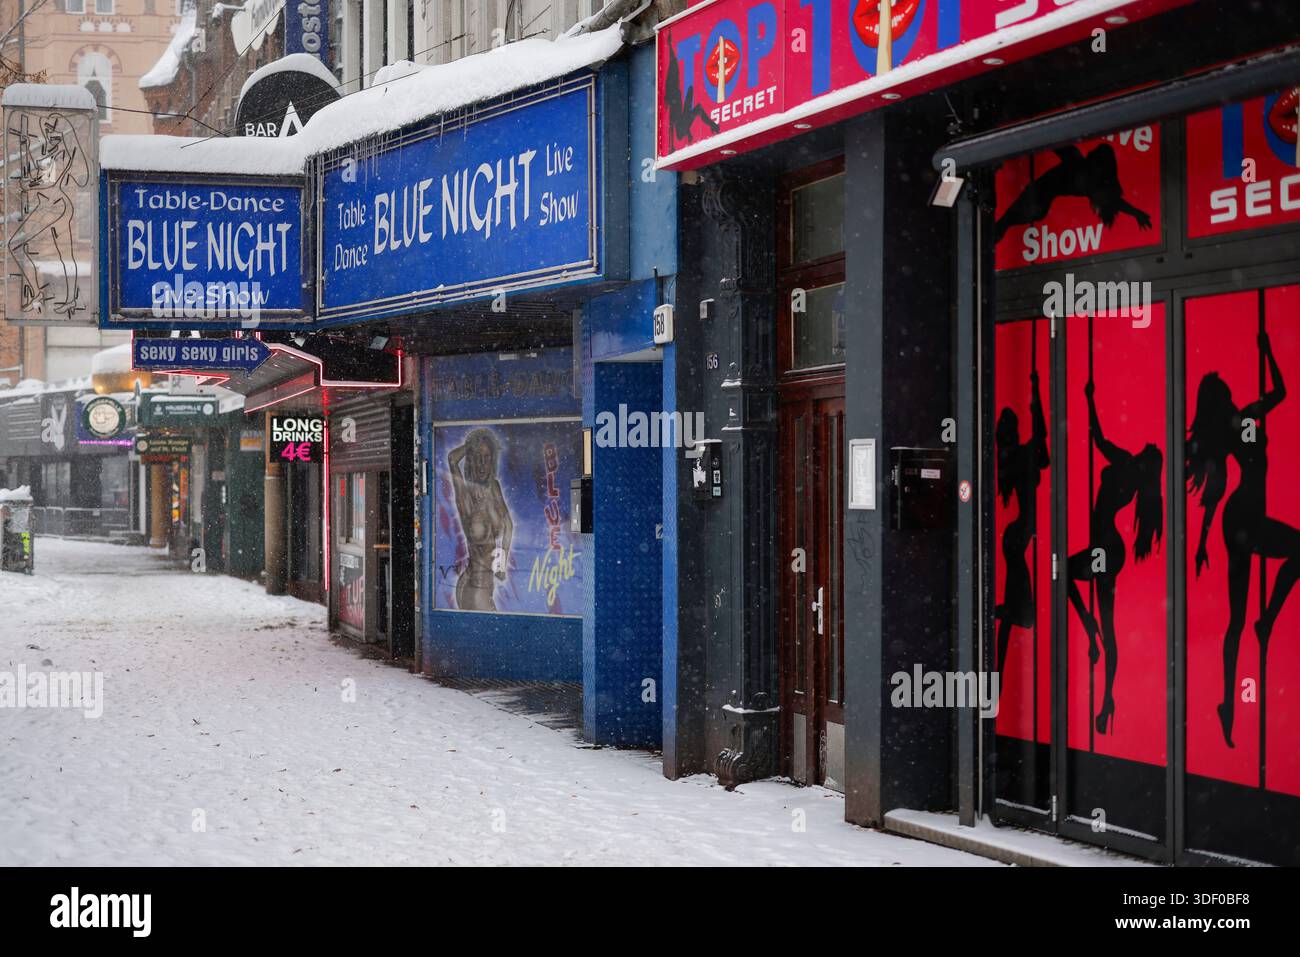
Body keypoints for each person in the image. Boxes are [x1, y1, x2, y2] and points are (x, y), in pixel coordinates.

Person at [1187, 332, 1299, 748]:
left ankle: (1231, 694)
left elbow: (1281, 394)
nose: (1234, 396)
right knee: (1237, 616)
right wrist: (1269, 352)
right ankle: (1231, 695)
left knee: (1238, 619)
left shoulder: (1240, 424)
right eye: (1228, 394)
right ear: (1225, 401)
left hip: (1243, 518)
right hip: (1244, 519)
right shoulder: (1244, 422)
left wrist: (1202, 540)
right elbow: (1281, 392)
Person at [1066, 381, 1164, 735]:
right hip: (1110, 549)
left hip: (1105, 548)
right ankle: (1107, 699)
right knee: (1110, 626)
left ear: (1142, 458)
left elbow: (1098, 439)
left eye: (1144, 450)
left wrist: (1090, 398)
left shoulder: (1125, 463)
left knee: (1061, 575)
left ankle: (1091, 633)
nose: (1140, 449)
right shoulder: (1138, 480)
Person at [996, 368, 1050, 676]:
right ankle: (998, 675)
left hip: (1017, 536)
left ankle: (997, 677)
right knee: (1023, 615)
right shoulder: (1019, 456)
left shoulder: (1015, 458)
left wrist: (1034, 398)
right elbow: (1041, 441)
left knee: (1019, 614)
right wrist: (1036, 396)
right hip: (1017, 538)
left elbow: (1043, 452)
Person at [448, 429, 513, 612]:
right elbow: (452, 459)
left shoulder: (493, 487)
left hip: (484, 585)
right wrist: (472, 445)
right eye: (477, 458)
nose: (483, 464)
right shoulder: (465, 495)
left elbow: (508, 525)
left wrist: (501, 563)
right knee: (493, 635)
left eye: (487, 457)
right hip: (475, 587)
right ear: (470, 460)